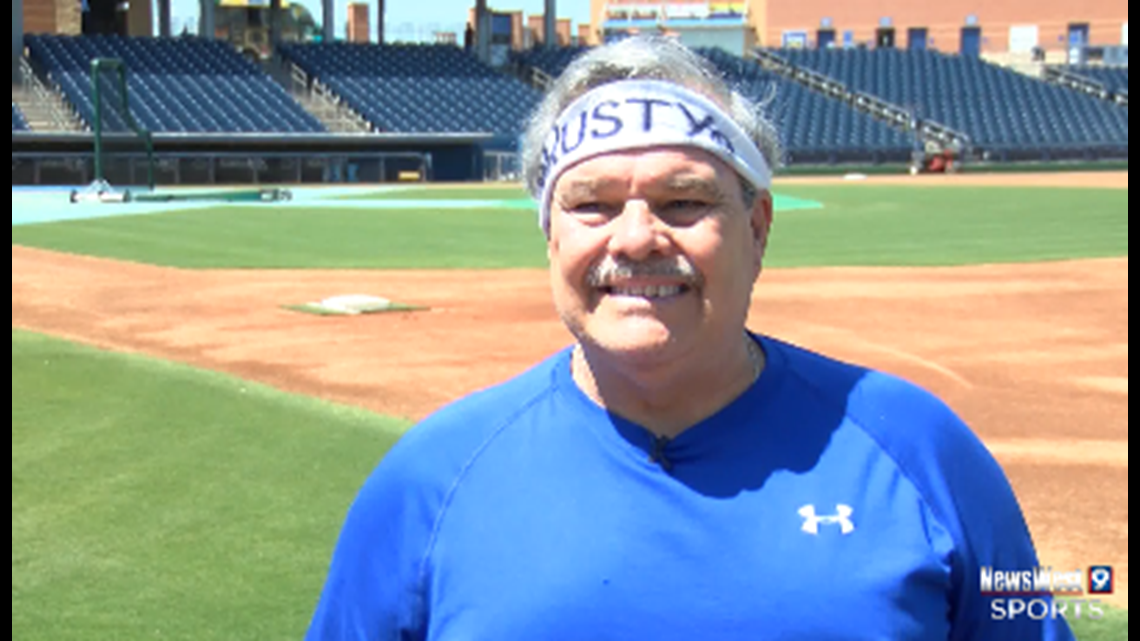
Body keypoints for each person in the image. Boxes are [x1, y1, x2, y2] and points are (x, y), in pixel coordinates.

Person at [305, 36, 1074, 640]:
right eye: (592, 204)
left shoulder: (921, 450)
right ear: (549, 235)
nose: (636, 238)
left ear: (758, 229)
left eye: (683, 200)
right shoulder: (430, 481)